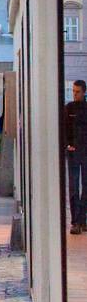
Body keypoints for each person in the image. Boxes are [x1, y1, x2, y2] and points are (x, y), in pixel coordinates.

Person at [64, 79, 87, 235]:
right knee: (73, 187)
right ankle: (75, 221)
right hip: (73, 152)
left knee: (85, 186)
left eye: (77, 92)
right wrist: (67, 145)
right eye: (73, 91)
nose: (75, 94)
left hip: (84, 152)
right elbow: (64, 129)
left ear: (84, 92)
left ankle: (82, 219)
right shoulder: (69, 108)